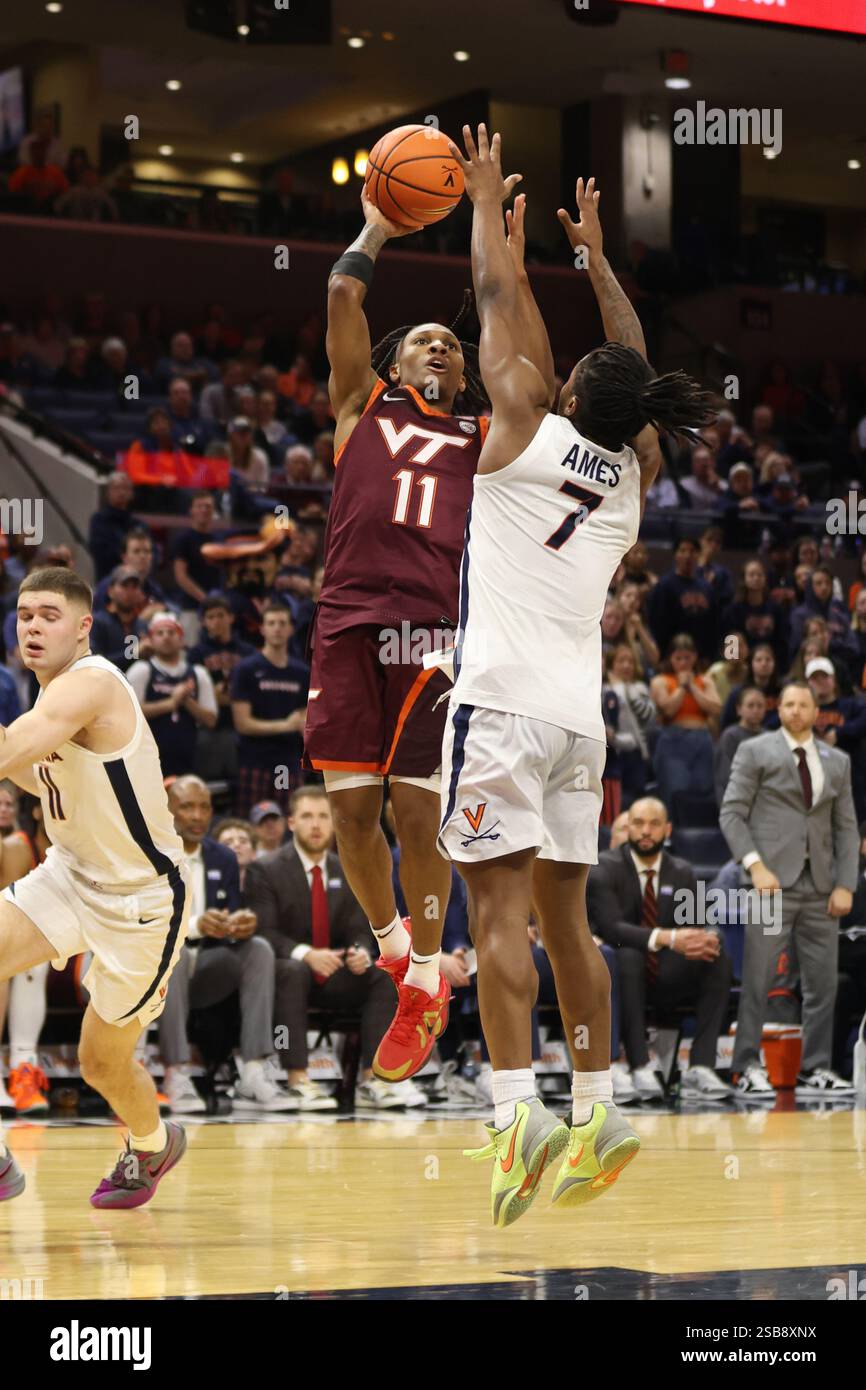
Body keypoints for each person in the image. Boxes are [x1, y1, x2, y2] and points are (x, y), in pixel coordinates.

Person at [440, 131, 713, 1225]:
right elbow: (615, 356)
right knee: (569, 927)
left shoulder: (514, 432)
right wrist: (596, 260)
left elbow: (491, 293)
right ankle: (597, 1107)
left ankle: (518, 1118)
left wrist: (483, 212)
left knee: (492, 916)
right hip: (577, 724)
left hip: (500, 704)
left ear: (561, 390)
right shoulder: (634, 477)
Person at [300, 174, 500, 1088]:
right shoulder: (358, 411)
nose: (440, 350)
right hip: (345, 622)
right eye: (425, 339)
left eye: (453, 347)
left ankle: (427, 969)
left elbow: (521, 369)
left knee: (417, 814)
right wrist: (379, 222)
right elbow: (343, 292)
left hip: (428, 633)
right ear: (392, 361)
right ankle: (402, 960)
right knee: (351, 815)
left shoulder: (483, 435)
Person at [0, 567, 190, 1207]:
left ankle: (152, 1144)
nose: (32, 626)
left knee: (100, 1063)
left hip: (142, 901)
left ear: (83, 627)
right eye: (24, 614)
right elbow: (41, 779)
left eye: (48, 615)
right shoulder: (49, 696)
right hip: (69, 874)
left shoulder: (91, 685)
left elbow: (10, 754)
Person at [243, 788, 424, 1110]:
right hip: (287, 974)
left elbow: (359, 926)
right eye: (308, 816)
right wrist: (305, 953)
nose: (316, 825)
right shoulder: (266, 869)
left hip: (335, 973)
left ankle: (374, 1080)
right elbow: (263, 932)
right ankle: (298, 1080)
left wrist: (359, 951)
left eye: (324, 816)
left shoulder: (346, 868)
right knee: (292, 971)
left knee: (381, 975)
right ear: (291, 822)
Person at [719, 680, 859, 1098]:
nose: (796, 711)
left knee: (822, 984)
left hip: (820, 886)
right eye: (789, 704)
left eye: (804, 705)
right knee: (759, 980)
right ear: (778, 710)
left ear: (818, 713)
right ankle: (744, 1065)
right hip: (768, 885)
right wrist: (755, 866)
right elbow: (731, 814)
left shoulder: (838, 761)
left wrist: (845, 884)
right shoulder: (754, 750)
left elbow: (846, 828)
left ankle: (814, 1068)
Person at [158, 777, 292, 1114]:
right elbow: (145, 924)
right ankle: (176, 1073)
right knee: (171, 955)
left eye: (204, 807)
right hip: (156, 968)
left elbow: (232, 914)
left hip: (206, 965)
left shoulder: (223, 858)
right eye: (187, 806)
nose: (197, 815)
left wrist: (239, 925)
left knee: (258, 949)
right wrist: (194, 925)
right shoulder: (149, 854)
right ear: (167, 810)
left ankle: (252, 1071)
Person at [588, 797, 733, 1101]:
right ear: (627, 828)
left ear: (667, 830)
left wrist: (709, 938)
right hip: (619, 976)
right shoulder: (606, 868)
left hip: (666, 973)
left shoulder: (682, 871)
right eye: (638, 824)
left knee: (715, 958)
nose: (645, 831)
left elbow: (702, 922)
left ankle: (700, 1067)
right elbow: (613, 928)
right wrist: (668, 937)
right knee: (627, 956)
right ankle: (639, 1065)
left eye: (654, 824)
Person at [230, 603, 308, 816]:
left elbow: (304, 717)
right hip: (255, 761)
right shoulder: (246, 669)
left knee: (287, 819)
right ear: (262, 628)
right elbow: (243, 724)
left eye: (282, 623)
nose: (277, 628)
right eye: (271, 623)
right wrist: (286, 725)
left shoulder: (301, 672)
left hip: (287, 763)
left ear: (291, 629)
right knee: (253, 820)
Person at [126, 612, 218, 778]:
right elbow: (129, 713)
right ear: (151, 640)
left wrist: (187, 701)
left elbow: (211, 719)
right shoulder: (141, 670)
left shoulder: (198, 673)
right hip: (147, 761)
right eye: (160, 633)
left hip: (187, 759)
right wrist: (171, 703)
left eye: (171, 632)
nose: (166, 637)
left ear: (182, 639)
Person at [650, 634, 721, 815]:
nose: (683, 662)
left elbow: (716, 707)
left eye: (687, 658)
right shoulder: (661, 680)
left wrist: (693, 687)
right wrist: (682, 687)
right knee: (675, 789)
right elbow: (668, 710)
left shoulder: (705, 681)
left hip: (702, 739)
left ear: (695, 657)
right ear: (670, 658)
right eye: (678, 658)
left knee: (704, 788)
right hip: (673, 739)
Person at [714, 686, 767, 807]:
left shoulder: (770, 736)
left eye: (760, 706)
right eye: (750, 705)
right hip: (735, 800)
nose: (755, 710)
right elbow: (725, 776)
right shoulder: (731, 736)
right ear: (739, 709)